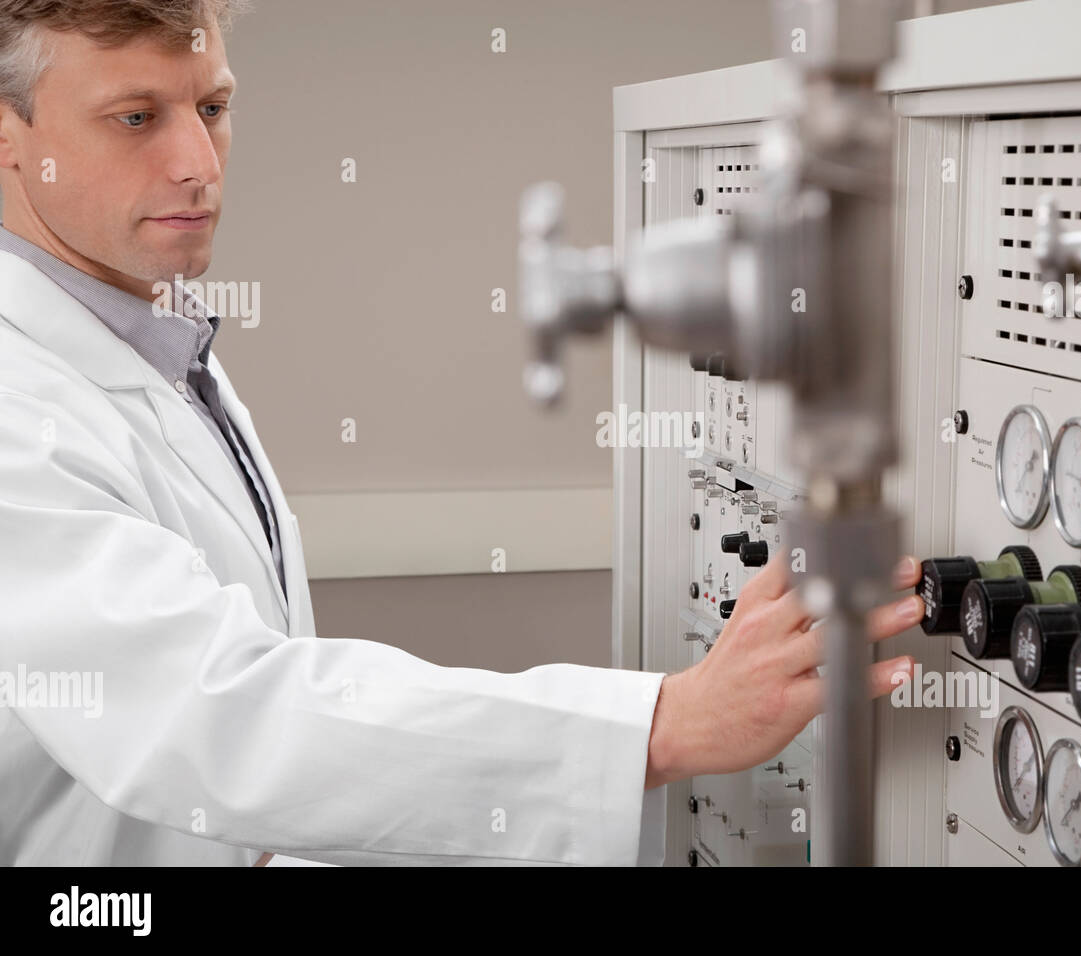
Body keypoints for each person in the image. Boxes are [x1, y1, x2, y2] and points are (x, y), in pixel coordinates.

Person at [0, 0, 922, 865]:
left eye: (213, 104)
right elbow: (210, 716)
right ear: (9, 138)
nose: (198, 160)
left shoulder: (146, 336)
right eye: (135, 118)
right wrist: (665, 724)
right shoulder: (20, 407)